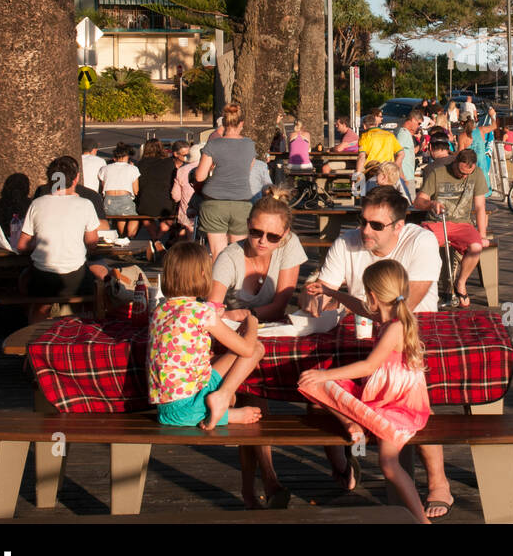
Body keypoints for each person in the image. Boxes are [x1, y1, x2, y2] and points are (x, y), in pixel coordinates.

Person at [300, 186, 450, 518]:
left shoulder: (420, 242)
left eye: (376, 225)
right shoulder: (351, 245)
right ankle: (352, 435)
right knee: (314, 386)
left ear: (399, 225)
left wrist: (327, 373)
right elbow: (343, 300)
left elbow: (403, 308)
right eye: (363, 221)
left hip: (414, 340)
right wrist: (320, 295)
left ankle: (438, 482)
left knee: (319, 378)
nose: (365, 230)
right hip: (383, 356)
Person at [299, 259, 433, 523]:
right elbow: (355, 305)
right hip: (384, 398)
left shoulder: (395, 327)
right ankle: (353, 422)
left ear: (373, 295)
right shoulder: (388, 316)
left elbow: (369, 365)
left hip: (399, 407)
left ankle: (421, 520)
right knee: (313, 382)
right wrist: (328, 292)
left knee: (389, 464)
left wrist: (325, 373)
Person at [206, 192, 307, 508]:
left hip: (268, 334)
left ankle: (255, 490)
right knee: (254, 400)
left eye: (272, 236)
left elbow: (279, 304)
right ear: (247, 226)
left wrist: (246, 315)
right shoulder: (229, 257)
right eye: (256, 232)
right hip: (236, 341)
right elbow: (212, 310)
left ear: (285, 235)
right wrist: (238, 320)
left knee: (254, 402)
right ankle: (269, 480)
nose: (263, 241)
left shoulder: (289, 247)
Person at [149, 241, 265, 436]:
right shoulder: (202, 312)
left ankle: (223, 399)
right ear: (203, 275)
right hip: (188, 410)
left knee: (226, 356)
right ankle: (225, 403)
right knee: (257, 348)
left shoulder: (159, 310)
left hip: (165, 410)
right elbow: (246, 349)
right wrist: (251, 322)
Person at [17, 155, 110, 320]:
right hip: (75, 277)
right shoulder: (85, 204)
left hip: (42, 277)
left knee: (34, 293)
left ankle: (33, 336)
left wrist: (37, 243)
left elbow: (22, 246)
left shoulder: (37, 204)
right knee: (94, 288)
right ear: (76, 179)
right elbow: (92, 244)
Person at [415, 148, 489, 311]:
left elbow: (480, 206)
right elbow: (418, 201)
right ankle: (424, 288)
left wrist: (482, 235)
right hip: (437, 222)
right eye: (461, 172)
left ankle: (460, 283)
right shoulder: (437, 173)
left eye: (467, 174)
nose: (464, 176)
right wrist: (431, 204)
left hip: (463, 224)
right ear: (454, 162)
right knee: (423, 245)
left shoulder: (476, 174)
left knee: (476, 246)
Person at [194, 103, 259, 259]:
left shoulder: (213, 144)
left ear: (224, 123)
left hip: (214, 202)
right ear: (242, 123)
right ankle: (237, 282)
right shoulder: (250, 145)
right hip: (241, 201)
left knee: (218, 253)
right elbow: (247, 169)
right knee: (238, 253)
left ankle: (218, 281)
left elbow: (199, 176)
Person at [136, 138, 177, 263]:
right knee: (169, 218)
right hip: (165, 201)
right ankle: (157, 239)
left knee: (146, 217)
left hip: (145, 201)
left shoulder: (141, 164)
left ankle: (155, 240)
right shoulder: (169, 163)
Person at [98, 143, 141, 239]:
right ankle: (129, 237)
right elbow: (136, 190)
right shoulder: (133, 168)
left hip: (108, 203)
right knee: (135, 217)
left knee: (120, 217)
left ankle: (122, 236)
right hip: (124, 200)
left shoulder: (105, 168)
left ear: (114, 157)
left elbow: (103, 187)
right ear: (127, 156)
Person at [393, 108, 421, 201]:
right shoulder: (403, 134)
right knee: (408, 205)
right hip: (405, 176)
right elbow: (398, 155)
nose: (418, 126)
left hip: (407, 175)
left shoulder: (405, 133)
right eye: (419, 123)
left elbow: (407, 152)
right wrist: (402, 176)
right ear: (413, 119)